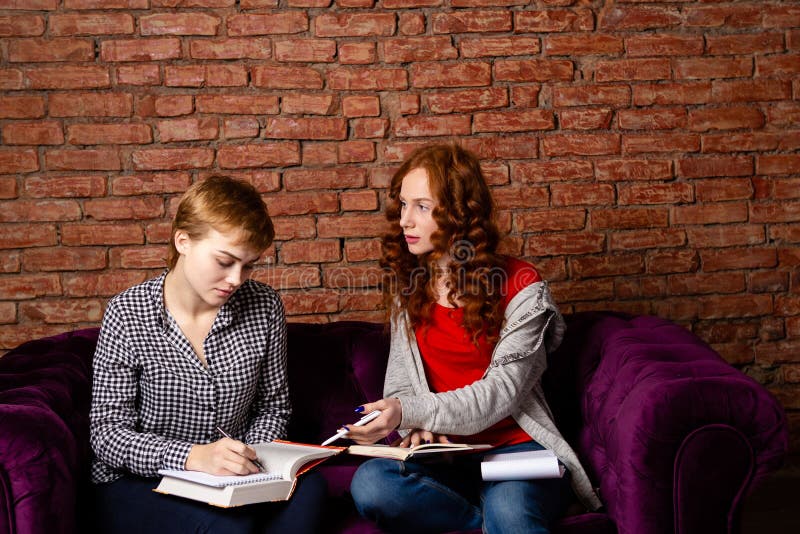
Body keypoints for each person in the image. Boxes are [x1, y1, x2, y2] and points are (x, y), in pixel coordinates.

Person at [346, 144, 603, 533]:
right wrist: (414, 429)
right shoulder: (410, 286)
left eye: (422, 207)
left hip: (518, 452)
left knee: (510, 509)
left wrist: (408, 411)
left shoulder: (522, 287)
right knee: (371, 483)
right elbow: (401, 383)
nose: (404, 220)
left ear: (459, 214)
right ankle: (484, 519)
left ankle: (500, 512)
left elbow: (500, 394)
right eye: (403, 204)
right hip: (449, 457)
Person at [89, 176, 325, 533]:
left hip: (232, 479)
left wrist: (243, 458)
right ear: (183, 241)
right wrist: (193, 457)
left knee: (312, 492)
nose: (236, 279)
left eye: (248, 265)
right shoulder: (127, 313)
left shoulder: (265, 306)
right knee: (226, 526)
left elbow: (273, 408)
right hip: (141, 481)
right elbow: (108, 434)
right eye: (224, 261)